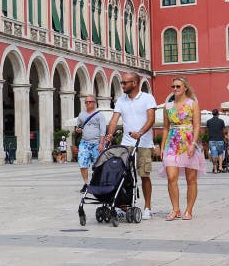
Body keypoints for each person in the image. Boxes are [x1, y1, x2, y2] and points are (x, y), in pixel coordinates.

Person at [105, 73, 157, 219]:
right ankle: (124, 206)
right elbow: (114, 120)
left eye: (124, 83)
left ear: (134, 83)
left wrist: (140, 133)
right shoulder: (121, 101)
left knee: (144, 175)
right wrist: (109, 135)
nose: (122, 86)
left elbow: (151, 118)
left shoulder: (147, 98)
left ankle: (147, 207)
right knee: (124, 176)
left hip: (144, 143)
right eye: (121, 83)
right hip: (126, 144)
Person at [159, 77, 205, 220]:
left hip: (189, 141)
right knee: (171, 177)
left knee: (191, 179)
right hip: (172, 144)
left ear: (185, 88)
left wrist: (193, 144)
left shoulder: (193, 104)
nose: (175, 89)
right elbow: (165, 127)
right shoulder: (167, 106)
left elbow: (197, 126)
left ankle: (189, 210)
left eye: (178, 86)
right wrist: (162, 146)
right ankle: (175, 209)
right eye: (173, 87)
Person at [75, 94, 106, 192]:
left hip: (97, 143)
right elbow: (78, 127)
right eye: (86, 102)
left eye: (90, 102)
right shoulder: (81, 115)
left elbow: (103, 130)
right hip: (84, 143)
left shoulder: (100, 115)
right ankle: (86, 183)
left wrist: (101, 144)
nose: (88, 103)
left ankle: (96, 182)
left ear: (94, 103)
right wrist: (78, 130)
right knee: (82, 163)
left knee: (98, 165)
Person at [206, 109, 225, 173]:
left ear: (212, 114)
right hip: (220, 140)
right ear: (218, 114)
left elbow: (207, 130)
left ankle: (215, 169)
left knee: (214, 155)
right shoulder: (221, 121)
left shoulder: (208, 121)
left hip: (212, 140)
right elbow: (223, 130)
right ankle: (220, 167)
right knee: (220, 153)